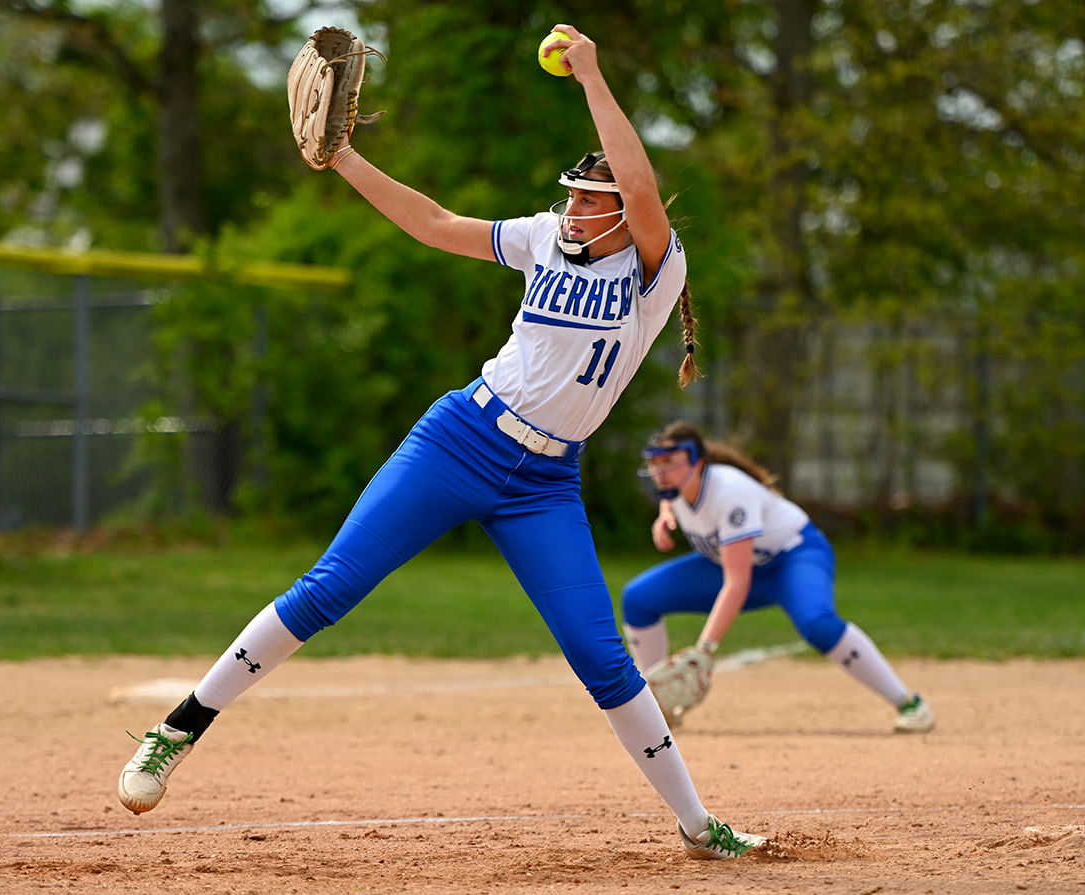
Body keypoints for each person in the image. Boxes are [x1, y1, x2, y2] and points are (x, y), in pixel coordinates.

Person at [117, 25, 766, 860]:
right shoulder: (540, 239)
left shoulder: (651, 269)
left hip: (544, 483)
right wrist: (344, 158)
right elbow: (432, 222)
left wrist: (592, 74)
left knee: (602, 659)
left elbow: (641, 186)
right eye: (569, 194)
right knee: (328, 587)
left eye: (586, 199)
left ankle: (695, 823)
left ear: (621, 219)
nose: (572, 206)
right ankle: (178, 730)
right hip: (461, 436)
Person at [621, 421, 937, 733]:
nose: (660, 471)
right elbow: (672, 497)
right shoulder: (676, 488)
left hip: (793, 559)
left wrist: (705, 649)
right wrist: (665, 517)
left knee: (819, 624)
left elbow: (737, 582)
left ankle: (910, 703)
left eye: (669, 461)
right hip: (734, 565)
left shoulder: (730, 493)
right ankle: (659, 707)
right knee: (638, 598)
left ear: (697, 461)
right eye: (655, 463)